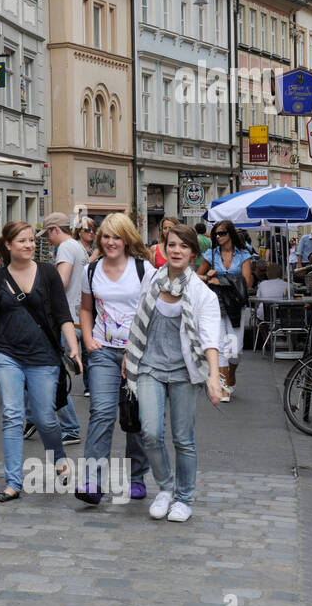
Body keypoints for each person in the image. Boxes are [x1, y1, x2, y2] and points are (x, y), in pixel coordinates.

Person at [0, 220, 79, 501]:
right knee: (12, 415)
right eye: (22, 241)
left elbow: (62, 314)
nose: (29, 245)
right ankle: (13, 482)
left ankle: (59, 459)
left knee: (45, 419)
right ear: (8, 245)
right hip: (7, 355)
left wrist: (73, 346)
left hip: (43, 357)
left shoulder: (48, 273)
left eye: (31, 240)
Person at [127, 223, 223, 524]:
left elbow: (210, 339)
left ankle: (184, 498)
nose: (176, 250)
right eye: (171, 244)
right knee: (150, 433)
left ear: (193, 252)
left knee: (183, 439)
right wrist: (129, 355)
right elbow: (139, 319)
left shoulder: (202, 293)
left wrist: (213, 376)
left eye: (183, 246)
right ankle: (166, 488)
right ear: (164, 248)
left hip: (183, 371)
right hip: (149, 365)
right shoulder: (152, 279)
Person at [77, 213, 155, 504]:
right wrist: (88, 340)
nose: (111, 242)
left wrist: (134, 350)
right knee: (102, 412)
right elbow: (86, 309)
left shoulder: (143, 270)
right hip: (103, 352)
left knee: (135, 416)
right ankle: (92, 482)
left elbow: (152, 314)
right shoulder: (91, 270)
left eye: (116, 237)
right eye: (106, 237)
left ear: (127, 240)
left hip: (138, 354)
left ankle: (137, 477)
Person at [40, 212, 86, 445]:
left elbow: (61, 282)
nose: (48, 240)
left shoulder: (66, 248)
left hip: (65, 318)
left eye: (48, 234)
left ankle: (70, 426)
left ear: (56, 229)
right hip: (76, 317)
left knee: (54, 375)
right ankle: (35, 417)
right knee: (50, 372)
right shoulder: (78, 247)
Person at [197, 222, 254, 399]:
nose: (218, 237)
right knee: (220, 345)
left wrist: (222, 281)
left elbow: (247, 282)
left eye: (221, 233)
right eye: (216, 234)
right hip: (216, 304)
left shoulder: (243, 255)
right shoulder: (211, 254)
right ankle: (224, 386)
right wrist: (207, 277)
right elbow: (196, 277)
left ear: (230, 234)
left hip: (235, 305)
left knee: (235, 350)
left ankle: (230, 375)